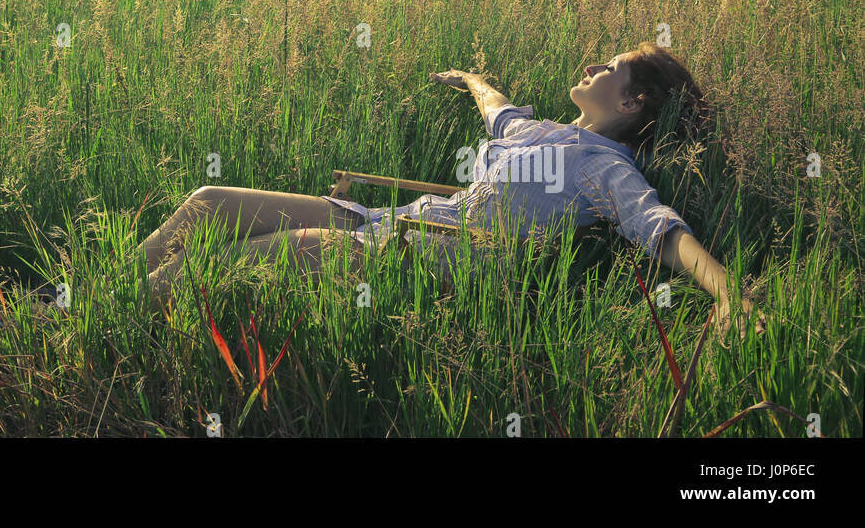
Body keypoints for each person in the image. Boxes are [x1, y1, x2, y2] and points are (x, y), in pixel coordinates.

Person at [138, 44, 764, 339]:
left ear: (631, 101)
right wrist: (468, 77)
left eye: (611, 67)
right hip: (390, 221)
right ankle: (101, 290)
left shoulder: (608, 169)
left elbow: (662, 230)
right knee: (208, 201)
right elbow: (496, 107)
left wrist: (729, 293)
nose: (594, 65)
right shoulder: (539, 128)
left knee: (223, 262)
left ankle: (95, 325)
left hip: (421, 258)